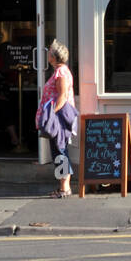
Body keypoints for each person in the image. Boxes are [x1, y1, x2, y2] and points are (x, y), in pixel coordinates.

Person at [35, 40, 77, 198]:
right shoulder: (60, 71)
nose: (48, 54)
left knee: (59, 151)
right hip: (57, 117)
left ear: (54, 56)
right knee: (59, 150)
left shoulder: (61, 73)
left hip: (58, 118)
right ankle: (63, 187)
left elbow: (62, 96)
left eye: (50, 52)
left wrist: (51, 114)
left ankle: (64, 188)